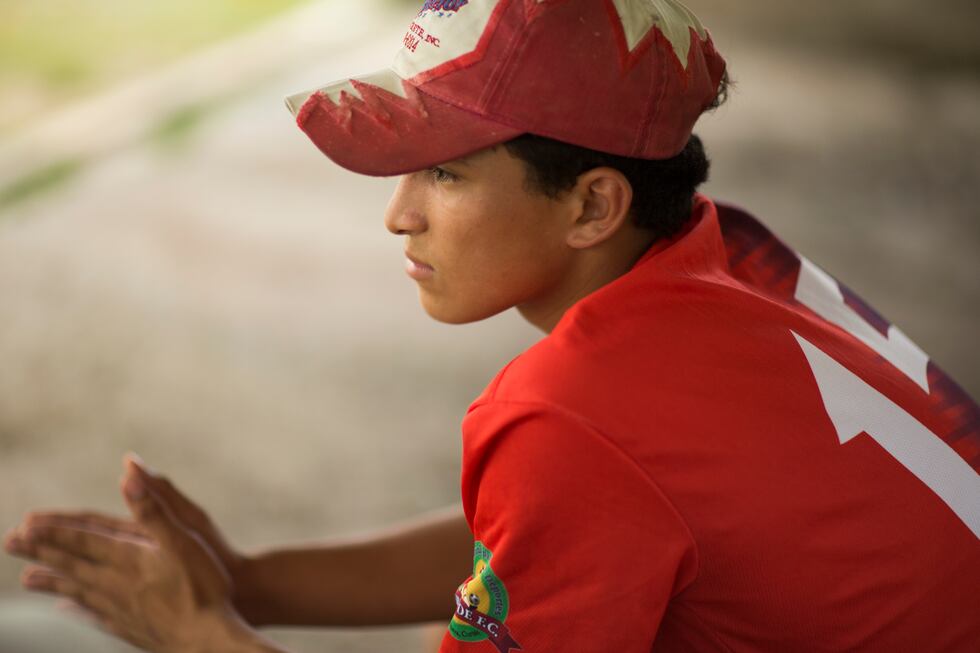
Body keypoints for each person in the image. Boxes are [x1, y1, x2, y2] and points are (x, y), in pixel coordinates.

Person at [4, 1, 979, 651]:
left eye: (446, 171)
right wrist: (253, 582)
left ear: (593, 205)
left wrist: (203, 637)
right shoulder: (736, 254)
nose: (398, 214)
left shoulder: (576, 417)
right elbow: (550, 538)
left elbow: (574, 484)